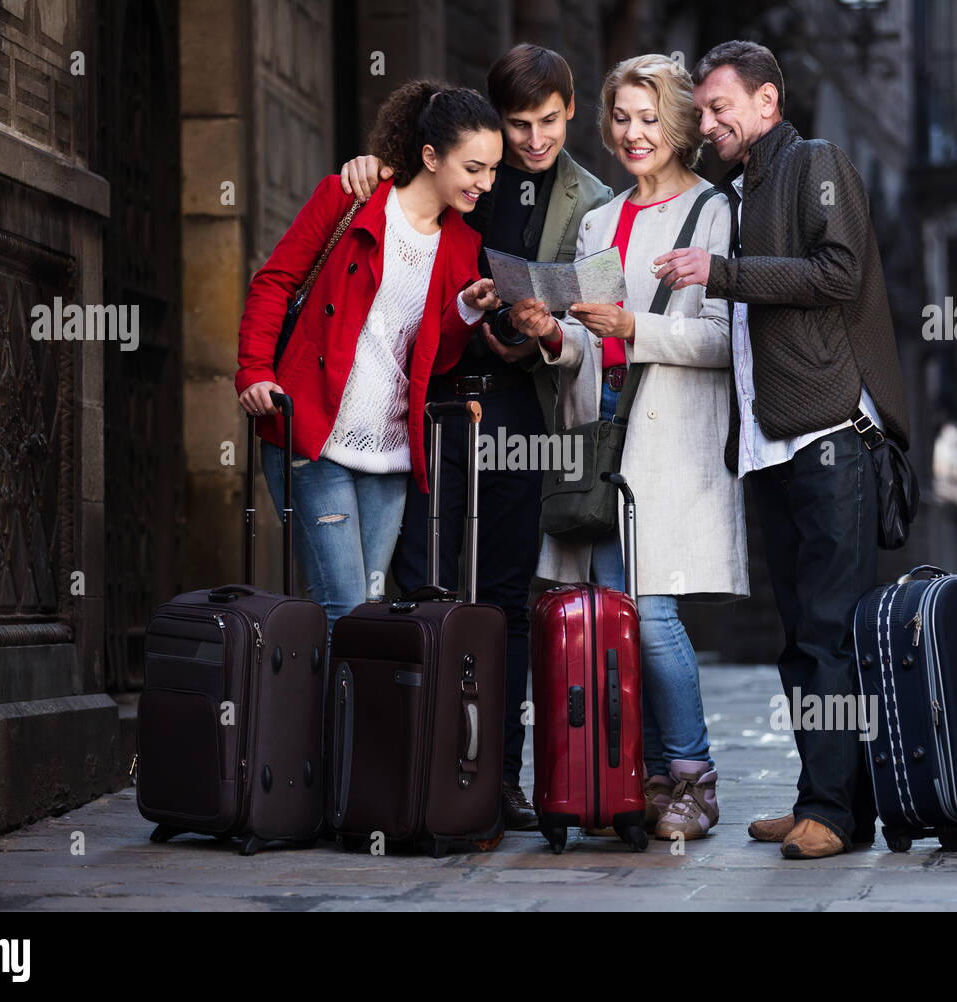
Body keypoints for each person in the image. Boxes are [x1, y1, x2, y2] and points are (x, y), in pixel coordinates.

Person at [337, 45, 613, 831]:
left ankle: (499, 778)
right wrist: (367, 166)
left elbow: (590, 322)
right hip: (437, 403)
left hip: (521, 411)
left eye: (549, 122)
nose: (532, 140)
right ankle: (416, 766)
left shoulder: (591, 201)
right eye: (517, 124)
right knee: (421, 579)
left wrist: (537, 334)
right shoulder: (461, 170)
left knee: (502, 597)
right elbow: (397, 207)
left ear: (569, 108)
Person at [657, 40, 911, 858]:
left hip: (831, 435)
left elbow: (838, 274)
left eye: (720, 105)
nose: (708, 121)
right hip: (773, 444)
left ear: (767, 102)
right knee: (802, 634)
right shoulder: (736, 191)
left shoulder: (816, 161)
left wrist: (723, 272)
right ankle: (825, 800)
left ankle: (833, 814)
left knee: (826, 632)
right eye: (701, 109)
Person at [514, 54, 748, 840]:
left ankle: (694, 776)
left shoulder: (714, 210)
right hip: (599, 442)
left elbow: (723, 340)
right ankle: (638, 775)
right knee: (610, 613)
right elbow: (586, 344)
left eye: (649, 118)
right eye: (621, 117)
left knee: (652, 617)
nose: (633, 133)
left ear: (678, 122)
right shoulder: (597, 219)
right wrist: (556, 335)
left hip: (670, 448)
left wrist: (636, 329)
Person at [234, 81, 501, 631]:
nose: (485, 183)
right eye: (474, 167)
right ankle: (331, 720)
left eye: (493, 170)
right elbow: (274, 283)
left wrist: (466, 312)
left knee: (366, 616)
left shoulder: (463, 244)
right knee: (344, 608)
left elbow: (439, 359)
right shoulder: (350, 197)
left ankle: (342, 718)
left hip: (388, 456)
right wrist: (255, 371)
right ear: (430, 156)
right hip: (313, 435)